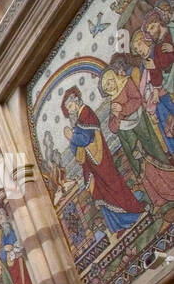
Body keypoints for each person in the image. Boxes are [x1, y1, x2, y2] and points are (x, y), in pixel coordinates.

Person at [61, 86, 146, 231]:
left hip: (100, 160)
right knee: (101, 191)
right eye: (68, 109)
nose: (70, 111)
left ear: (76, 101)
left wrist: (72, 137)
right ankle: (117, 224)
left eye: (70, 106)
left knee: (112, 185)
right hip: (93, 164)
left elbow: (85, 139)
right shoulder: (79, 120)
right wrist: (73, 139)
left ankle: (130, 214)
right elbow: (78, 147)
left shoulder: (86, 113)